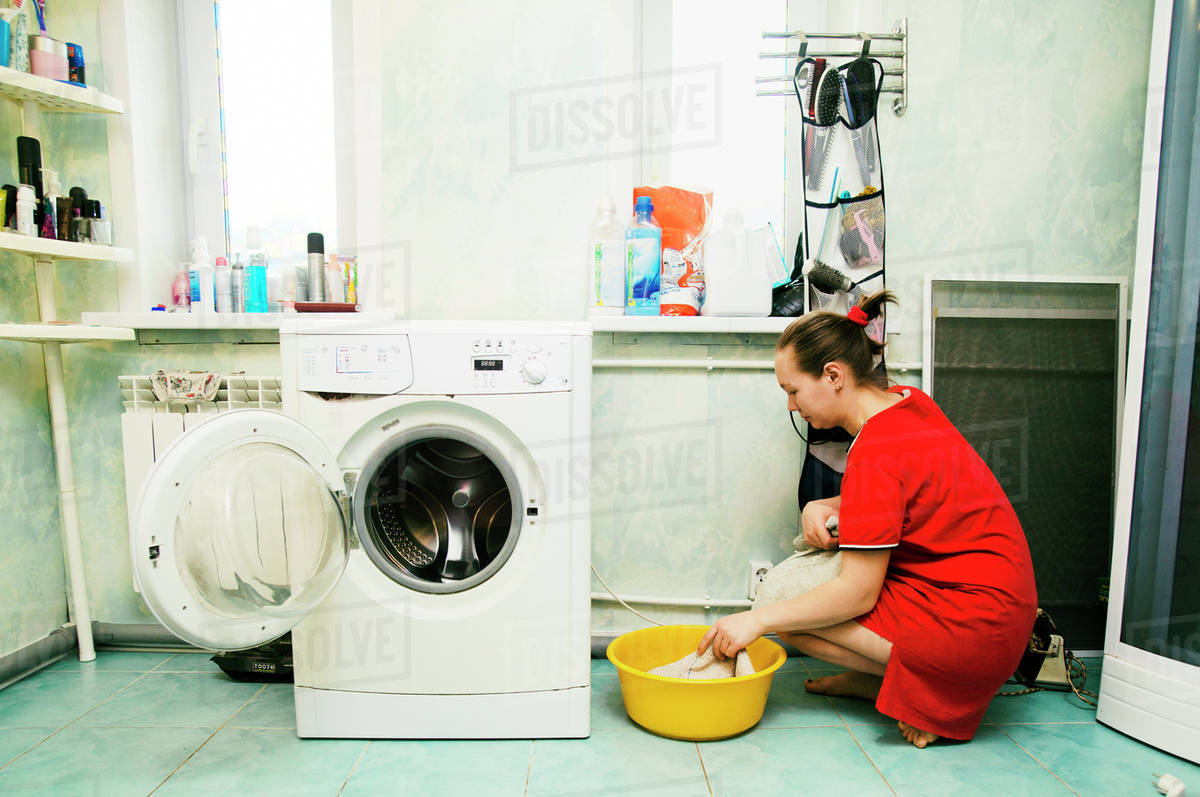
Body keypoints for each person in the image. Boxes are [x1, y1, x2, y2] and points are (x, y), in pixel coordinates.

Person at [698, 290, 1037, 747]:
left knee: (783, 610)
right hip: (998, 612)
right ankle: (888, 684)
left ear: (833, 375)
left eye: (793, 390)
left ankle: (929, 692)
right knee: (791, 602)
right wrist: (828, 504)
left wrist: (758, 621)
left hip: (972, 636)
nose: (792, 406)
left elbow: (857, 594)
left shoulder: (875, 453)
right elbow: (915, 492)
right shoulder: (906, 402)